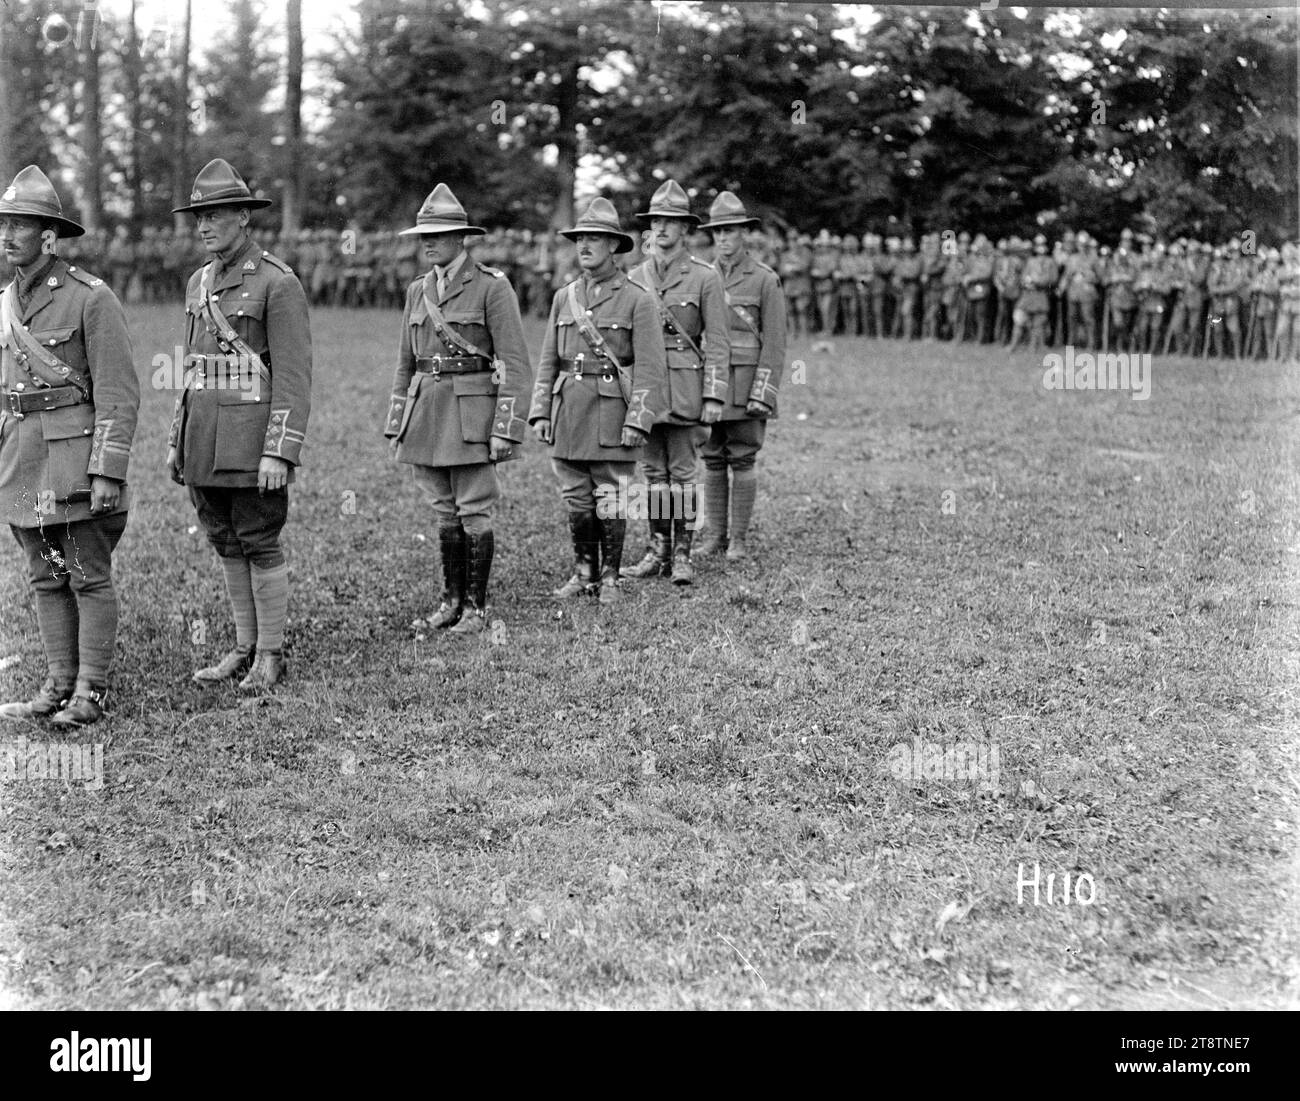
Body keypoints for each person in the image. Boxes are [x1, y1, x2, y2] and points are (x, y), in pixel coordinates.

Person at [0, 166, 140, 726]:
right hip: (22, 459)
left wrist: (108, 469)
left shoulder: (91, 298)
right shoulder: (3, 304)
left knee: (86, 570)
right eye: (4, 223)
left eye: (20, 225)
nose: (8, 234)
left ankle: (91, 690)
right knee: (46, 572)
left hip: (75, 458)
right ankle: (58, 682)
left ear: (50, 237)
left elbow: (118, 392)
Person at [166, 159, 312, 692]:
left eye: (217, 214)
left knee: (259, 539)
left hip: (251, 439)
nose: (204, 225)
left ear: (245, 218)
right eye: (199, 216)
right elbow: (190, 368)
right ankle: (244, 646)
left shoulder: (278, 282)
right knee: (225, 541)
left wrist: (280, 450)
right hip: (204, 435)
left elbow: (294, 377)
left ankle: (270, 653)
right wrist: (176, 437)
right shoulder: (196, 283)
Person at [382, 184, 532, 635]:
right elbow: (405, 361)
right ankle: (450, 601)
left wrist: (506, 428)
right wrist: (397, 420)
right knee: (443, 510)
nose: (428, 240)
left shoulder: (491, 287)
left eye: (439, 233)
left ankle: (475, 608)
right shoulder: (417, 291)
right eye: (423, 233)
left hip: (471, 417)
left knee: (474, 509)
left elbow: (516, 364)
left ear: (462, 237)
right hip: (426, 413)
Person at [528, 198, 667, 604]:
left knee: (611, 494)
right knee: (575, 493)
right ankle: (583, 572)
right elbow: (549, 359)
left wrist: (638, 419)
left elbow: (651, 368)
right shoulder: (564, 297)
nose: (585, 245)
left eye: (595, 238)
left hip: (612, 410)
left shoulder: (637, 299)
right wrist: (540, 410)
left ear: (614, 246)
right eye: (580, 238)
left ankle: (609, 578)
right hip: (569, 407)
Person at [622, 180, 730, 587]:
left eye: (671, 221)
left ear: (686, 229)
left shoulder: (704, 277)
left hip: (686, 384)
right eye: (656, 221)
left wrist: (714, 393)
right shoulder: (635, 276)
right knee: (652, 472)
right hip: (647, 389)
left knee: (683, 473)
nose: (662, 228)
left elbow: (717, 340)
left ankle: (683, 553)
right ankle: (657, 550)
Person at [695, 192, 786, 561]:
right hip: (710, 381)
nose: (723, 239)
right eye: (717, 232)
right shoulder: (701, 275)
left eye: (730, 231)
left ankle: (740, 540)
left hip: (748, 382)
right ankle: (715, 535)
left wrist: (763, 392)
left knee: (743, 459)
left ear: (744, 233)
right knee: (712, 458)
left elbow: (776, 342)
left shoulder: (765, 279)